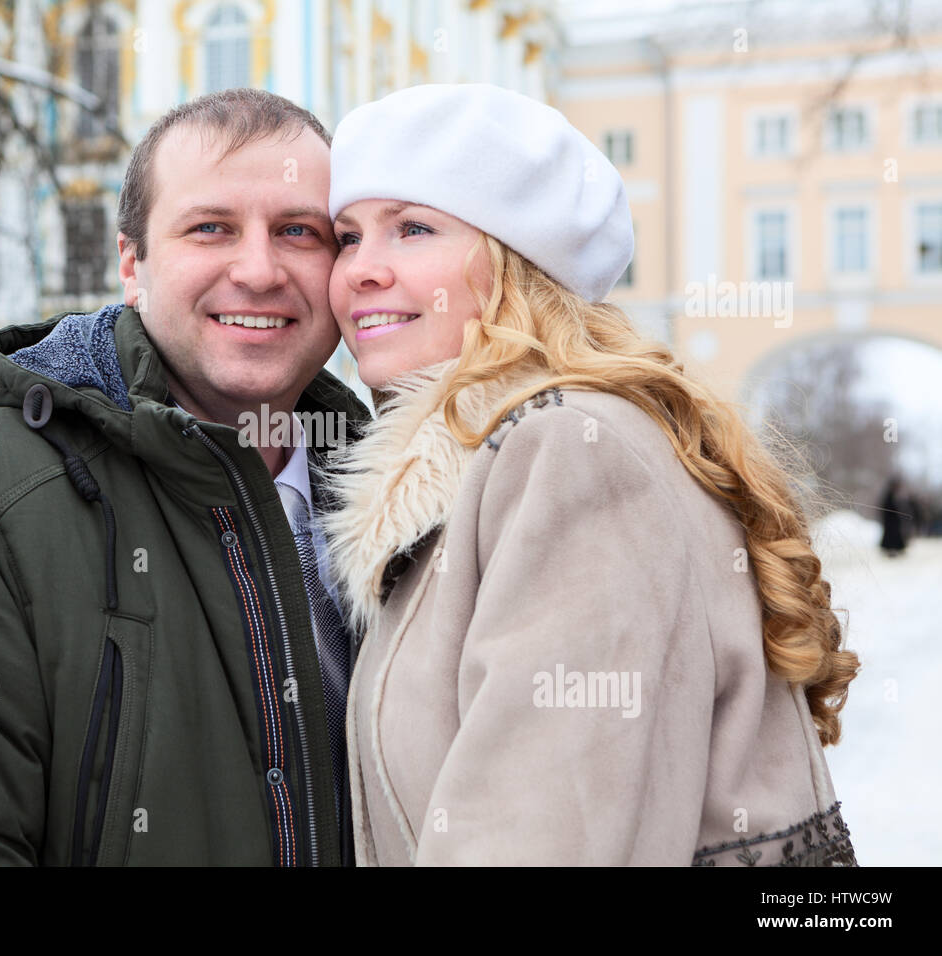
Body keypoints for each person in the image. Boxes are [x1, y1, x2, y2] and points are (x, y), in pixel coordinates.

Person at [0, 88, 371, 865]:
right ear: (133, 264)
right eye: (210, 228)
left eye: (299, 231)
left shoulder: (403, 503)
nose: (258, 270)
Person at [317, 84, 860, 866]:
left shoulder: (568, 452)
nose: (361, 270)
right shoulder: (506, 458)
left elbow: (538, 836)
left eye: (412, 227)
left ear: (518, 263)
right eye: (346, 237)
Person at [878, 475, 907, 556]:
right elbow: (886, 508)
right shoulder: (888, 495)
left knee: (894, 536)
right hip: (890, 522)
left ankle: (896, 549)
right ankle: (890, 550)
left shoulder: (893, 495)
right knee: (890, 537)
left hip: (893, 521)